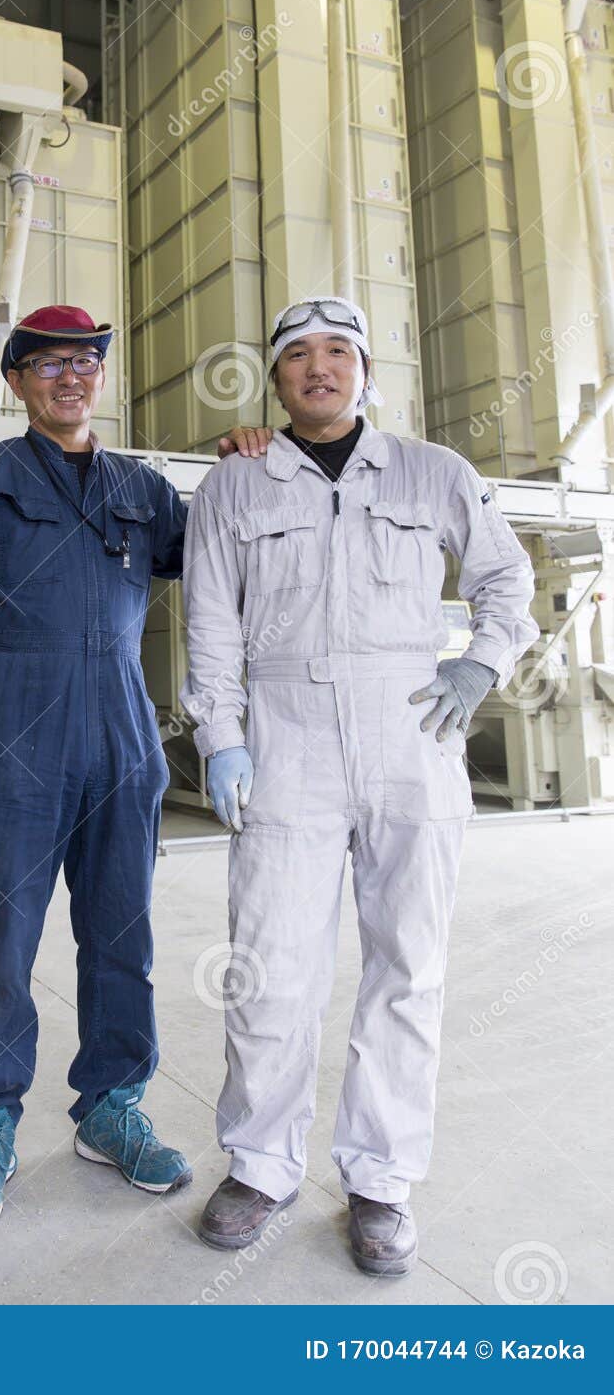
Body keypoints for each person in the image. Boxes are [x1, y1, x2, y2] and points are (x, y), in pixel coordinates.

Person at [181, 295, 539, 1275]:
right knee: (270, 968)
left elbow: (505, 579)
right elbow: (208, 621)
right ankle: (259, 1165)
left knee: (406, 969)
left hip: (411, 732)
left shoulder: (434, 472)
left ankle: (381, 1181)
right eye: (297, 353)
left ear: (365, 371)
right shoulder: (235, 484)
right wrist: (221, 737)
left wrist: (480, 663)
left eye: (337, 350)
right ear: (275, 379)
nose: (318, 366)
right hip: (284, 741)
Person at [0, 305, 264, 1231]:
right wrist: (0, 661)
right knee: (0, 937)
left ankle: (111, 1107)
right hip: (19, 726)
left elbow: (217, 556)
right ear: (18, 382)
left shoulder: (142, 487)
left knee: (120, 936)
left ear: (100, 377)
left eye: (85, 362)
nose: (70, 377)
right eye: (49, 364)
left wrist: (247, 466)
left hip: (124, 726)